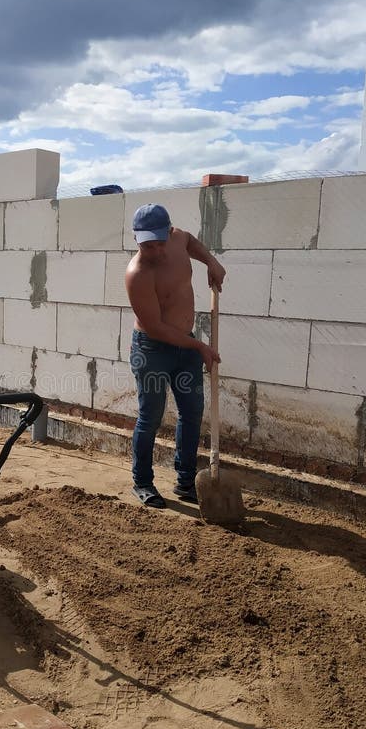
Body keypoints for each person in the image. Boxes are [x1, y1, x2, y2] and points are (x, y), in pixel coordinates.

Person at [125, 203, 225, 509]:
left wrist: (211, 261)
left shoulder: (179, 240)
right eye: (146, 245)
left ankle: (185, 482)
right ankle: (142, 482)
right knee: (150, 417)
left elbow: (191, 241)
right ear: (136, 239)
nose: (153, 251)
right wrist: (200, 347)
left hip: (186, 348)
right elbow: (154, 327)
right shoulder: (137, 274)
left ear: (169, 232)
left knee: (192, 412)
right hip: (152, 350)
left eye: (158, 243)